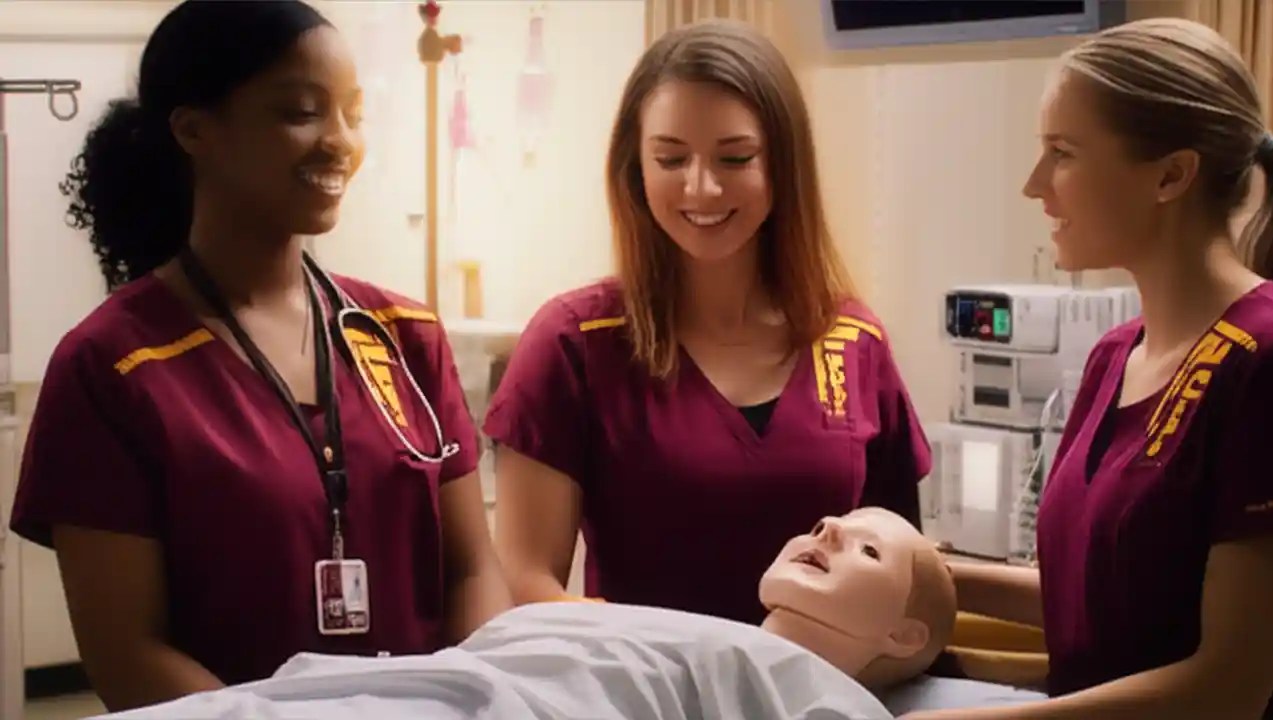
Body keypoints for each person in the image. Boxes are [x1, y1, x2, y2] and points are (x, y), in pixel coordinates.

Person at [8, 1, 509, 712]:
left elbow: (471, 574)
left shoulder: (401, 335)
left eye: (352, 112)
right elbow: (128, 655)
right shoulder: (112, 367)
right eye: (301, 112)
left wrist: (470, 701)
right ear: (194, 129)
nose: (340, 142)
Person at [484, 18, 931, 627]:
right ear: (634, 169)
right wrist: (691, 663)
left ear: (783, 166)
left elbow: (907, 576)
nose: (702, 187)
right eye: (670, 159)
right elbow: (525, 584)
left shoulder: (852, 340)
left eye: (735, 157)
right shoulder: (572, 343)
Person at [908, 17, 1273, 720]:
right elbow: (1097, 618)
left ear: (1171, 175)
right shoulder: (1117, 355)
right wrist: (912, 576)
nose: (1034, 184)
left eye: (1062, 153)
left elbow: (1227, 688)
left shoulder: (1265, 362)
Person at [88, 508, 958, 720]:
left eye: (869, 551)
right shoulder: (685, 633)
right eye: (825, 524)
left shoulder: (829, 702)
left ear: (905, 638)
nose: (830, 525)